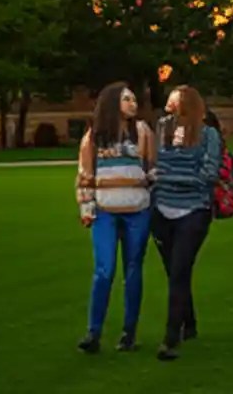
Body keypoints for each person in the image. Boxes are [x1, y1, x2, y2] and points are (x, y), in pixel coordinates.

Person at [75, 82, 155, 354]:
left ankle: (128, 333)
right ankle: (93, 332)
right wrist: (87, 208)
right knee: (104, 270)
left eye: (134, 99)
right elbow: (85, 176)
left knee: (133, 270)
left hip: (137, 210)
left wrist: (153, 196)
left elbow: (152, 169)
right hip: (105, 211)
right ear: (111, 103)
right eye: (126, 99)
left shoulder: (143, 132)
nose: (133, 104)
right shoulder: (94, 136)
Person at [149, 86, 221, 361]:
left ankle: (170, 338)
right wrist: (159, 184)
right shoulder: (163, 129)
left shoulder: (208, 135)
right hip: (162, 211)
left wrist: (165, 178)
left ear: (187, 104)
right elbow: (155, 164)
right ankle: (189, 323)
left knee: (179, 270)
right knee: (175, 272)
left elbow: (208, 174)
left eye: (174, 100)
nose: (168, 104)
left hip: (193, 211)